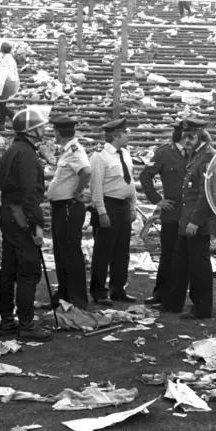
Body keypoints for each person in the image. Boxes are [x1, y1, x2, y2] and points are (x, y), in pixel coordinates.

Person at [0, 107, 54, 341]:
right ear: (31, 131)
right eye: (40, 127)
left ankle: (7, 320)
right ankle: (27, 324)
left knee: (8, 270)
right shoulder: (27, 155)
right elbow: (31, 195)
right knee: (29, 271)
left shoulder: (12, 151)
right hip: (21, 217)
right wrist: (36, 226)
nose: (44, 129)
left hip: (8, 214)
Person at [159, 119, 215, 319]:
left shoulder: (208, 157)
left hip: (196, 222)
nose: (186, 141)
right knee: (179, 262)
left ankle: (202, 308)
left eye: (190, 137)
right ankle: (172, 303)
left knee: (199, 266)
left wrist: (196, 221)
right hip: (186, 219)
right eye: (185, 137)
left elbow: (205, 194)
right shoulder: (195, 154)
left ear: (200, 135)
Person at [139, 121, 190, 307]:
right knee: (168, 255)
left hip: (191, 214)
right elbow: (145, 176)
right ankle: (161, 293)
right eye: (188, 135)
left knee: (187, 256)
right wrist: (157, 200)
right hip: (172, 213)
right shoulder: (164, 153)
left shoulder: (196, 153)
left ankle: (179, 296)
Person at [89, 117, 139, 305]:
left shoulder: (125, 153)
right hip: (108, 205)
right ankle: (99, 290)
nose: (128, 135)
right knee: (103, 250)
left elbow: (130, 181)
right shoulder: (99, 156)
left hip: (124, 205)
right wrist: (101, 212)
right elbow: (96, 187)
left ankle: (118, 288)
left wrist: (133, 205)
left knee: (121, 250)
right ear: (116, 135)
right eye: (125, 132)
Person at [46, 116, 91, 309]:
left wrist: (78, 192)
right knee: (61, 252)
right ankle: (64, 294)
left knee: (71, 252)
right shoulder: (67, 152)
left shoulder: (75, 151)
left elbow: (86, 171)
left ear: (57, 132)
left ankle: (77, 298)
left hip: (68, 207)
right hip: (61, 207)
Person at [0, 43, 17, 131]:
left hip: (5, 83)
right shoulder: (12, 60)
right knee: (3, 104)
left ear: (2, 50)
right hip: (12, 83)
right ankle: (1, 124)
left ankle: (13, 116)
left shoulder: (4, 60)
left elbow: (3, 75)